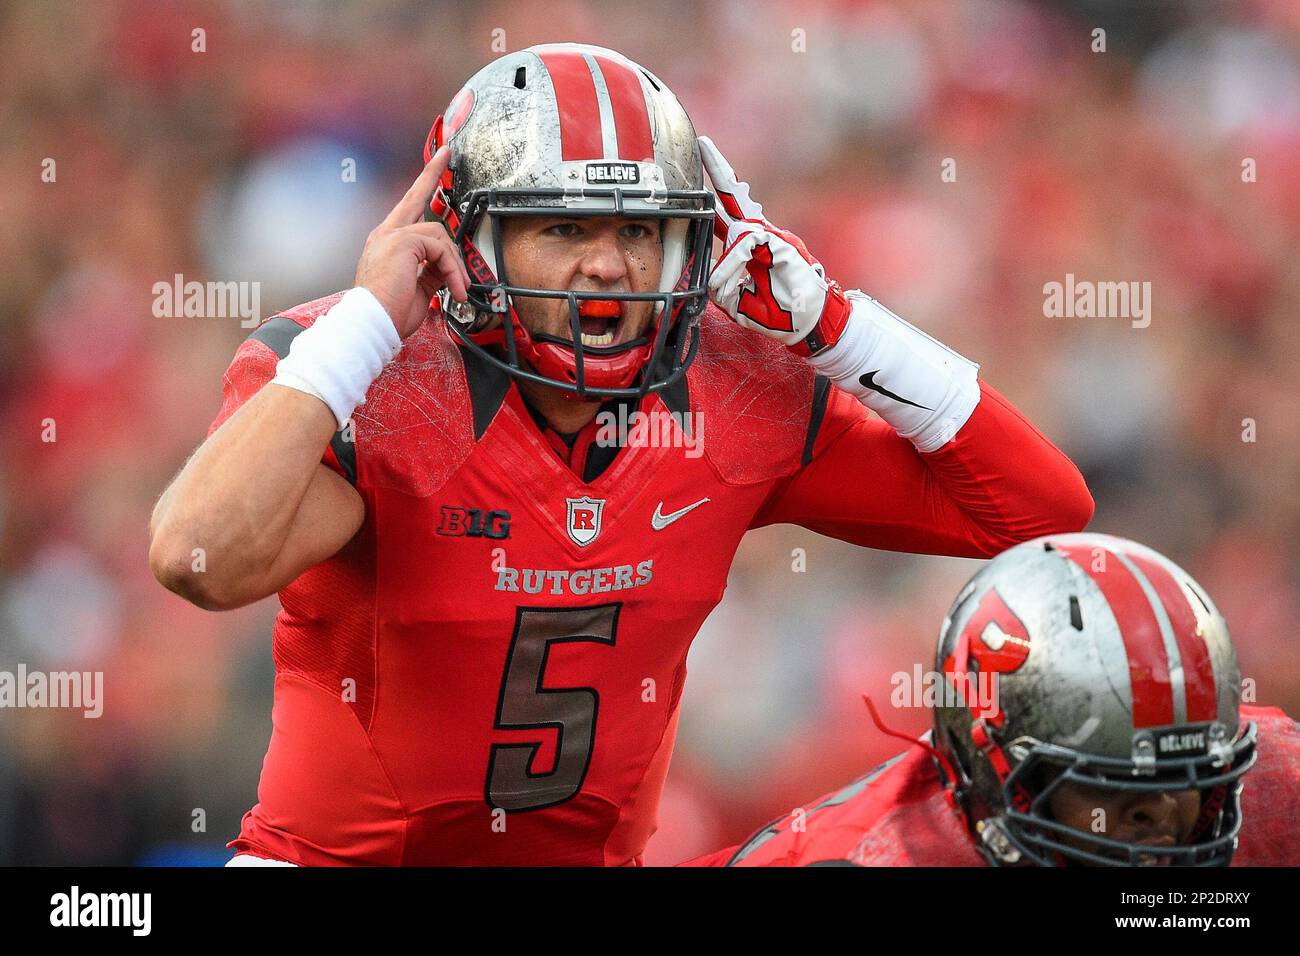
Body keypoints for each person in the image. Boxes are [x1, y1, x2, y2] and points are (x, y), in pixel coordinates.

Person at [147, 42, 1092, 866]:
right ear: (469, 238)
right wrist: (363, 329)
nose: (608, 264)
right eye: (564, 226)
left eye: (638, 230)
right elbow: (198, 562)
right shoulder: (371, 374)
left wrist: (838, 325)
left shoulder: (735, 390)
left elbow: (1037, 510)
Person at [686, 533, 1298, 867]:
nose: (1161, 814)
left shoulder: (1278, 781)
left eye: (1185, 775)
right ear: (986, 771)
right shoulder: (865, 855)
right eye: (1111, 786)